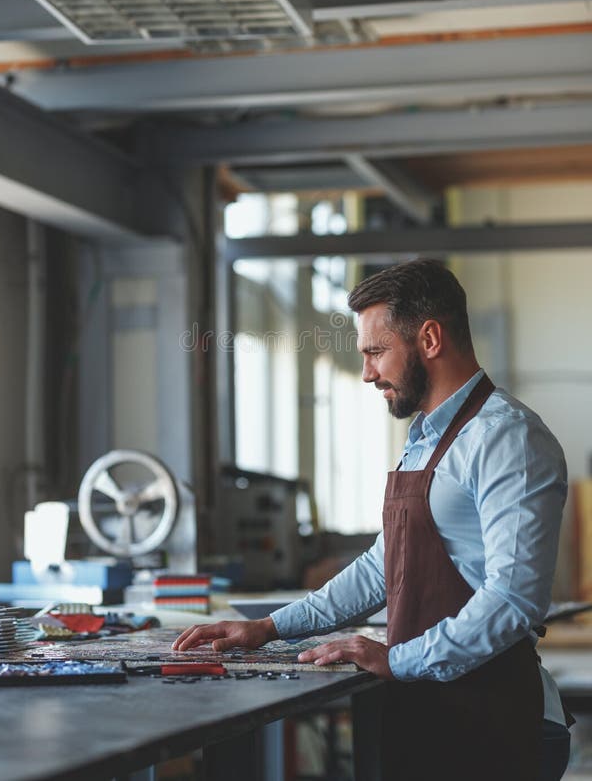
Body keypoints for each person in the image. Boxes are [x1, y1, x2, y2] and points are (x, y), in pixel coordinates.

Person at [173, 258, 571, 781]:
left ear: (429, 339)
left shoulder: (505, 438)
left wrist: (398, 659)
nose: (366, 373)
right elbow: (382, 568)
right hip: (431, 715)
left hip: (497, 720)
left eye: (376, 351)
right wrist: (269, 629)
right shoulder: (424, 441)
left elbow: (514, 599)